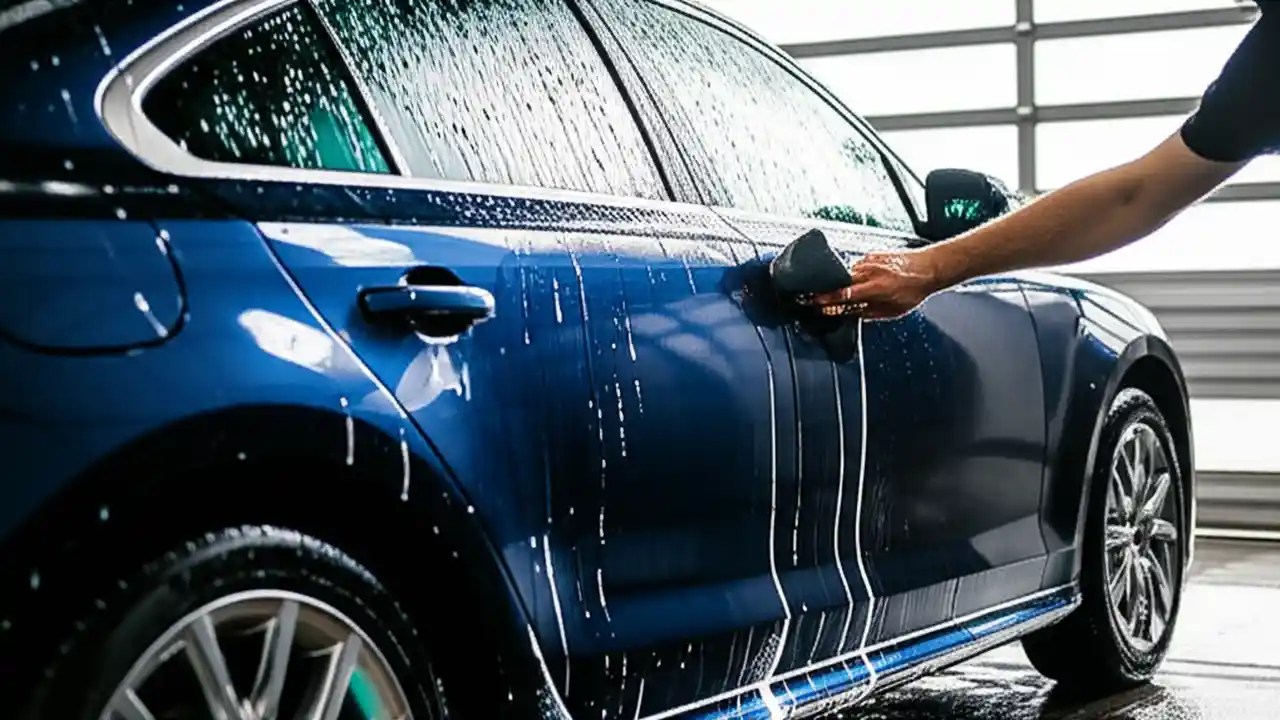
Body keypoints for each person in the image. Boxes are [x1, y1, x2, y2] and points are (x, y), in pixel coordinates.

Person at [806, 1, 1280, 320]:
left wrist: (931, 267)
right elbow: (1133, 198)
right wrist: (930, 267)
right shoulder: (1260, 74)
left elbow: (1133, 197)